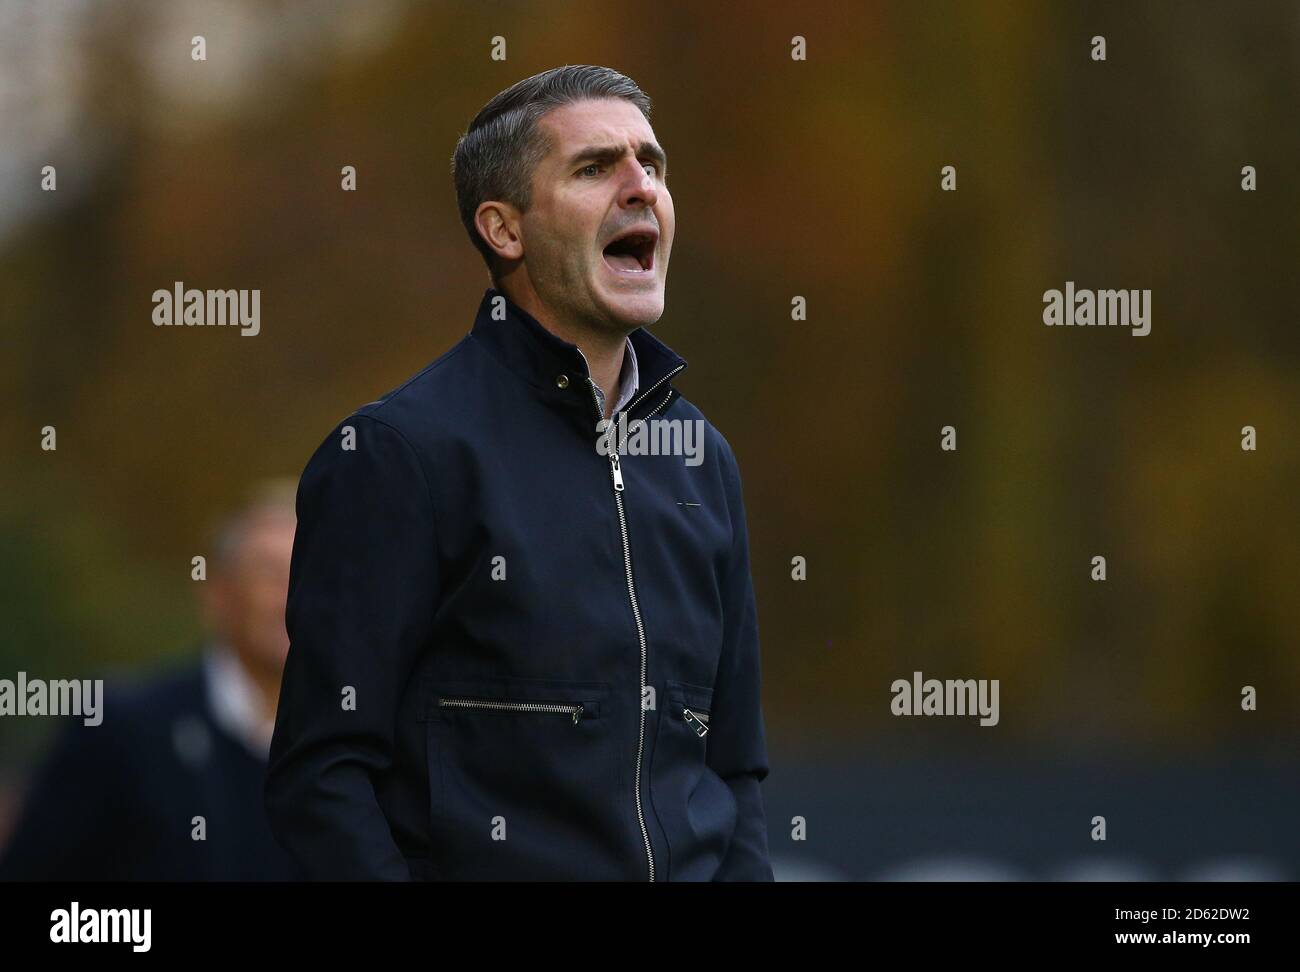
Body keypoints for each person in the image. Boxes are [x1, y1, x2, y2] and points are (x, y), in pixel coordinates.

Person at [265, 64, 773, 881]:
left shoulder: (701, 457)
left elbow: (734, 770)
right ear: (504, 230)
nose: (642, 187)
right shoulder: (397, 456)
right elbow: (321, 780)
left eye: (653, 163)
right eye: (595, 167)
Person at [0, 481, 302, 880]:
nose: (295, 595)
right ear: (219, 595)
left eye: (311, 572)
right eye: (271, 575)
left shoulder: (360, 741)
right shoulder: (121, 729)